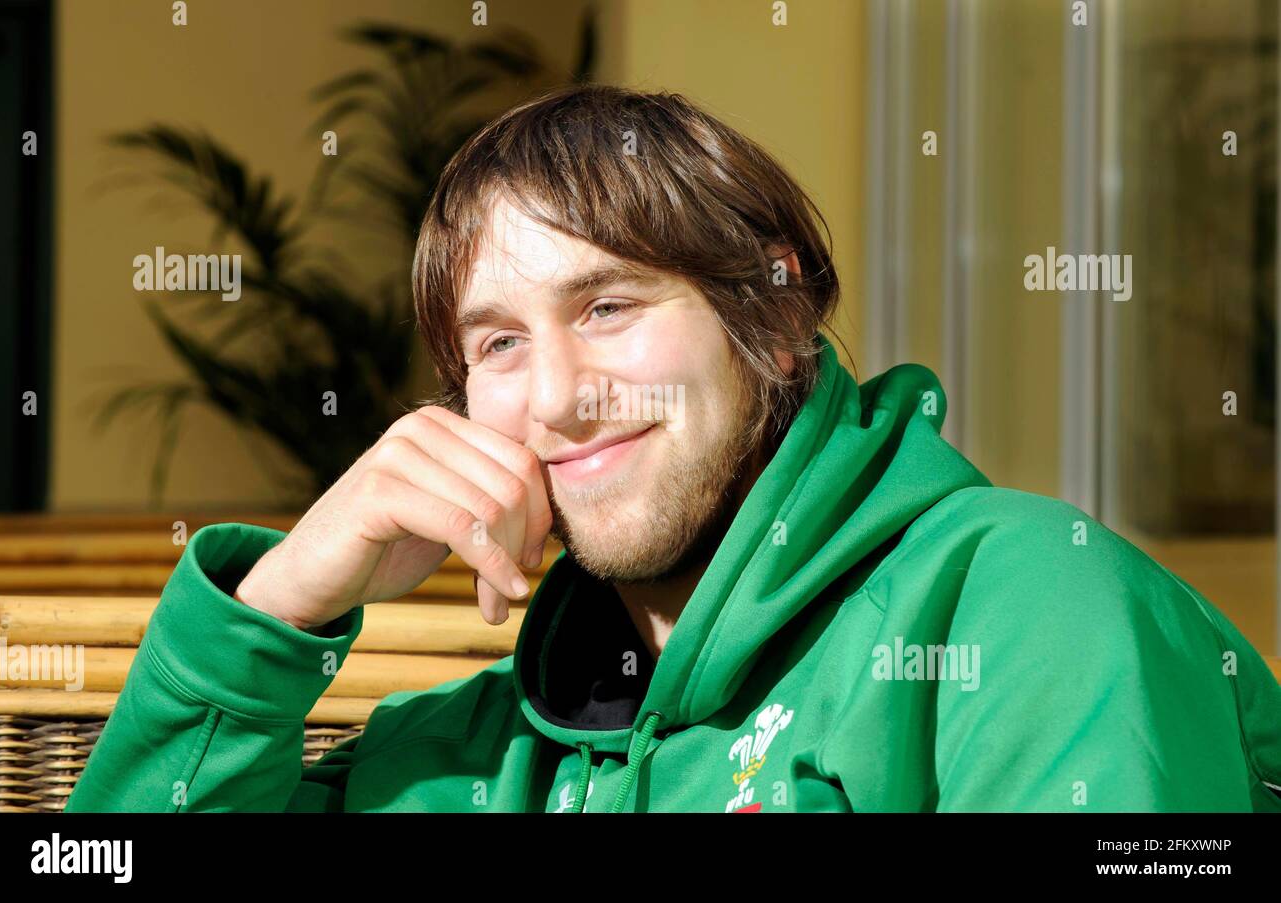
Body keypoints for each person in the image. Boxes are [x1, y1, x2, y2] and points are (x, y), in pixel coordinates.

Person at [65, 84, 1281, 813]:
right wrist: (277, 607)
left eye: (607, 307)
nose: (557, 397)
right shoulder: (469, 759)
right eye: (496, 346)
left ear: (774, 305)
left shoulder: (1021, 605)